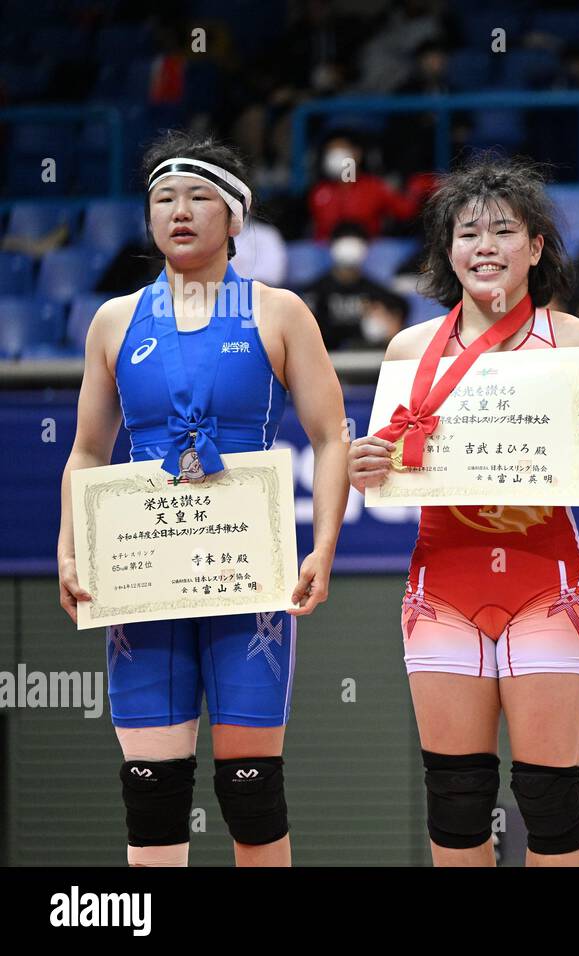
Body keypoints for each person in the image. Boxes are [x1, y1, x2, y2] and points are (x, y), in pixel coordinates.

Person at [55, 131, 350, 866]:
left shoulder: (278, 313)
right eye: (162, 199)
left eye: (197, 197)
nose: (178, 212)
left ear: (235, 217)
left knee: (250, 794)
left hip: (244, 569)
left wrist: (325, 545)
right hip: (143, 570)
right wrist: (69, 545)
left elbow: (333, 435)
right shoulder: (115, 321)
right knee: (153, 796)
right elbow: (88, 449)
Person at [347, 156, 579, 867]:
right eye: (467, 232)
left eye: (503, 231)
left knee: (548, 797)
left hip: (547, 588)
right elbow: (384, 475)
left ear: (536, 248)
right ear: (448, 251)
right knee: (456, 797)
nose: (484, 246)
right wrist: (365, 468)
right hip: (442, 589)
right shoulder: (410, 349)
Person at [301, 222, 410, 350]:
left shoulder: (379, 294)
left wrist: (389, 324)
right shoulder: (314, 292)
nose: (349, 246)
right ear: (331, 246)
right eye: (343, 239)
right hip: (324, 355)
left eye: (355, 240)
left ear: (365, 248)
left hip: (368, 358)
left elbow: (399, 314)